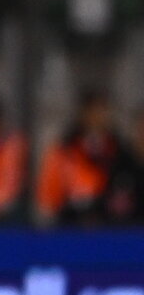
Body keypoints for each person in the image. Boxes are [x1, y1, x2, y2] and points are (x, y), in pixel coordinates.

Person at [35, 91, 125, 227]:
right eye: (93, 111)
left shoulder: (120, 151)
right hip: (68, 225)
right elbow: (48, 196)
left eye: (102, 111)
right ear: (83, 113)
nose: (97, 117)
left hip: (108, 226)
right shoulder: (64, 150)